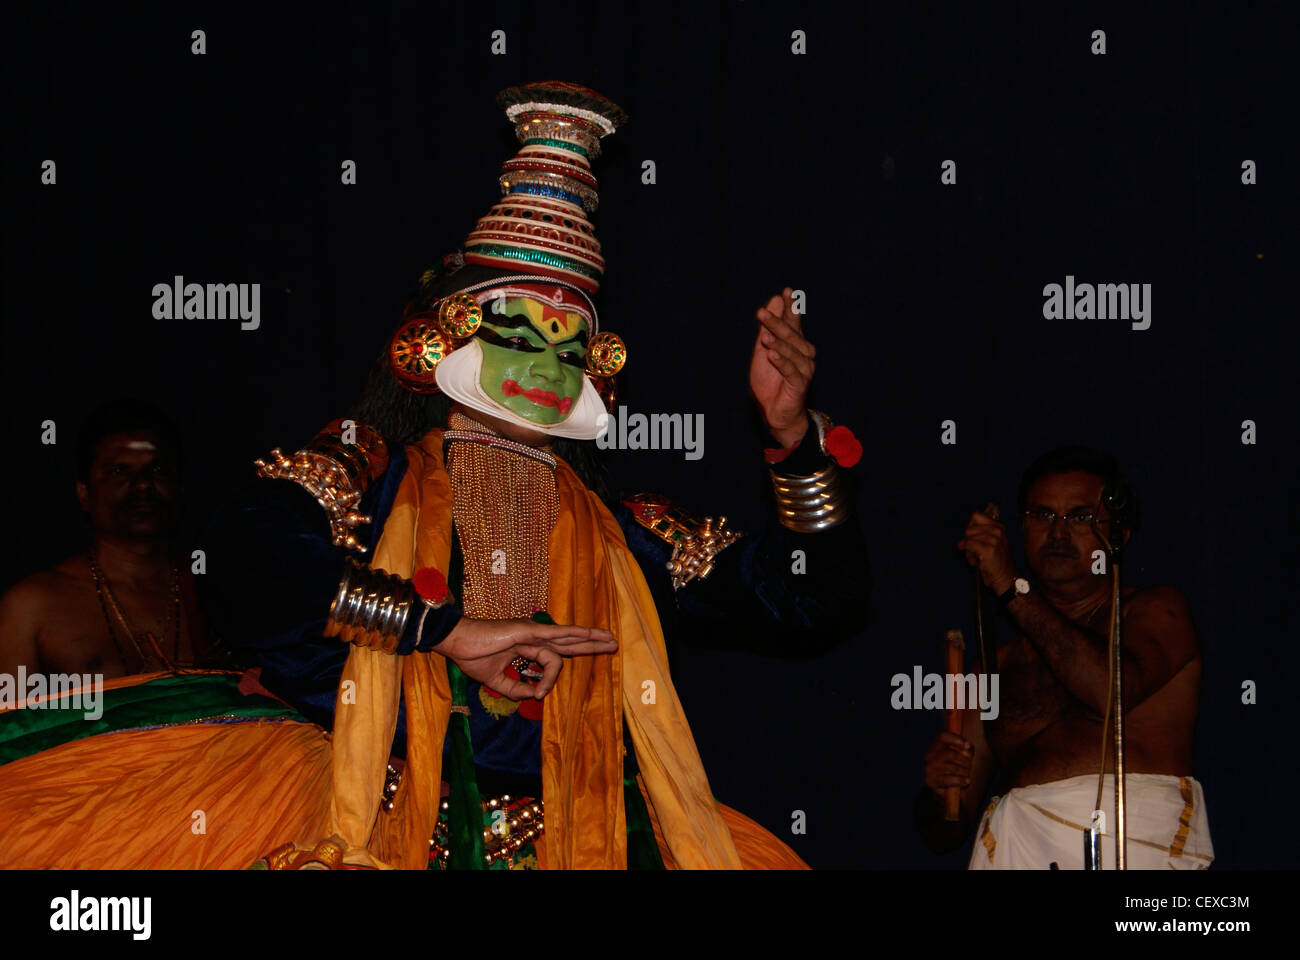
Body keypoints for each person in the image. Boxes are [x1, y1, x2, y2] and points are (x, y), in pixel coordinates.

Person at [206, 81, 871, 870]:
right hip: (370, 829)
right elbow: (253, 578)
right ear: (444, 336)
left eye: (566, 348)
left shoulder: (626, 537)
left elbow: (810, 603)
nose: (543, 368)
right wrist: (443, 631)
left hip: (578, 841)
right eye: (517, 333)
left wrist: (793, 439)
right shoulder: (361, 474)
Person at [914, 446, 1212, 869]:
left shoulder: (1156, 613)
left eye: (1081, 517)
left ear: (1120, 535)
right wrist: (940, 790)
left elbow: (1109, 693)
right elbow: (945, 833)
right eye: (1041, 515)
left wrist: (1009, 585)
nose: (1057, 533)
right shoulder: (989, 669)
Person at [0, 398, 206, 679]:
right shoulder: (31, 606)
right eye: (119, 471)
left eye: (158, 470)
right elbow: (11, 720)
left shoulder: (215, 590)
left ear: (179, 488)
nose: (143, 484)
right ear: (84, 493)